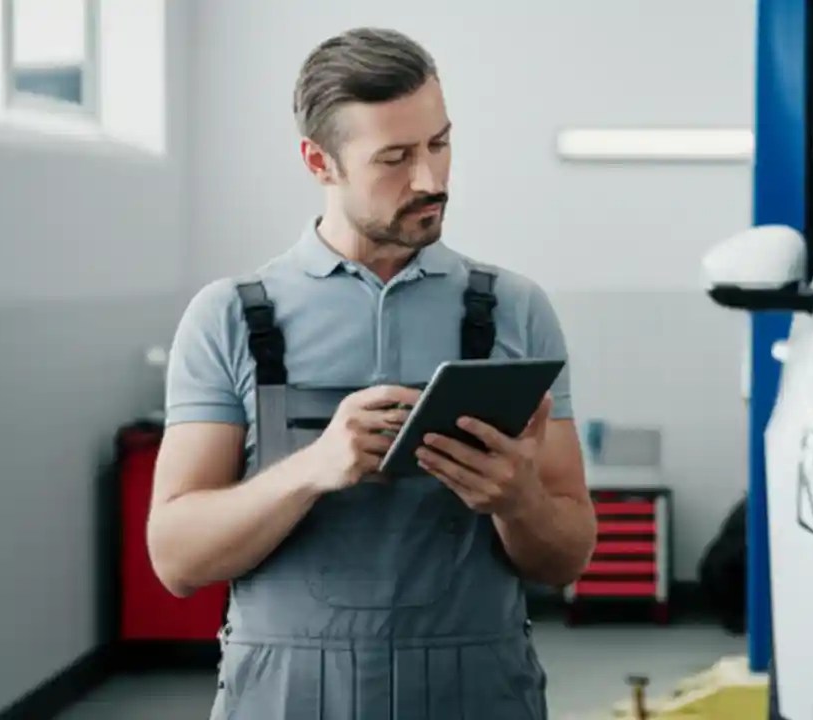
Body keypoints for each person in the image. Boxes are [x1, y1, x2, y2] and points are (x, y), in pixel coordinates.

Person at [146, 27, 597, 719]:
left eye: (439, 144)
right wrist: (314, 466)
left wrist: (519, 499)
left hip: (475, 685)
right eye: (395, 158)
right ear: (319, 162)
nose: (431, 179)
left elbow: (565, 557)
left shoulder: (514, 310)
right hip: (287, 691)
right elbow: (176, 560)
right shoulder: (230, 318)